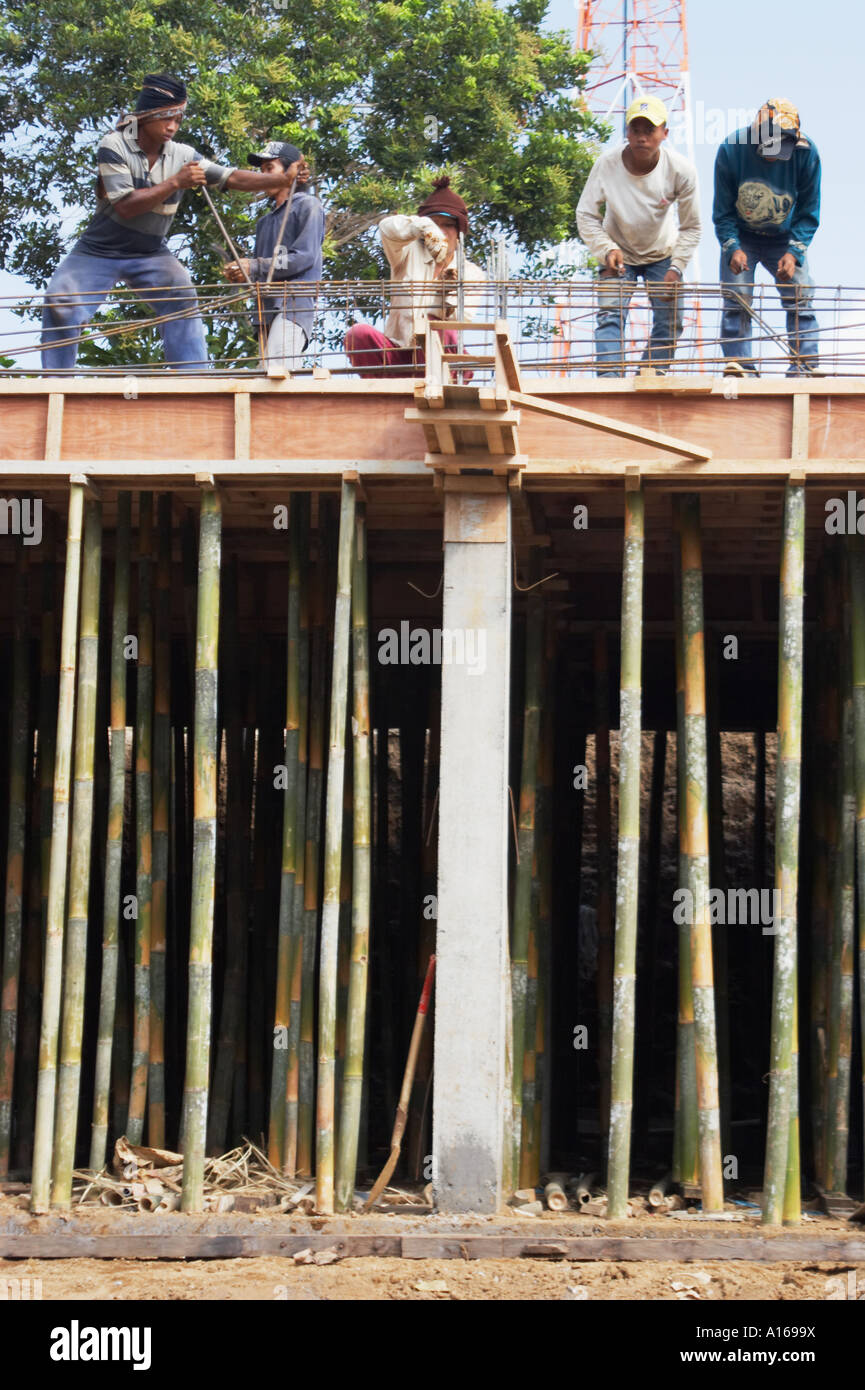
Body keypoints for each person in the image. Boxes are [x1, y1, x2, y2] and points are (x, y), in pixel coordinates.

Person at [41, 75, 300, 372]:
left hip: (150, 251)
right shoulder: (114, 145)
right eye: (166, 118)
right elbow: (126, 206)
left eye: (178, 119)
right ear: (146, 116)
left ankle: (195, 382)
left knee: (182, 296)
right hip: (99, 250)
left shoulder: (184, 155)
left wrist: (281, 179)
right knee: (60, 301)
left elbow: (232, 177)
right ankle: (55, 380)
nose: (172, 127)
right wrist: (176, 181)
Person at [576, 96, 701, 376]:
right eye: (636, 129)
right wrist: (606, 249)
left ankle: (651, 374)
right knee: (610, 316)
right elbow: (585, 214)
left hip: (662, 254)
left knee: (670, 320)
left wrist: (676, 267)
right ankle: (610, 379)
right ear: (627, 132)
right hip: (618, 253)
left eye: (650, 130)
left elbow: (692, 226)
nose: (642, 137)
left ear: (664, 134)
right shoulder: (607, 165)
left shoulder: (681, 170)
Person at [713, 98, 821, 376]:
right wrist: (732, 247)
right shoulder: (731, 149)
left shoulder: (806, 154)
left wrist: (794, 252)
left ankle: (804, 366)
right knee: (736, 296)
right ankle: (740, 366)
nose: (775, 149)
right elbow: (723, 212)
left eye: (782, 141)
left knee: (801, 295)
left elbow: (809, 212)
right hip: (742, 235)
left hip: (784, 238)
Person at [344, 177, 485, 378]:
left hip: (437, 364)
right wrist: (423, 226)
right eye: (435, 224)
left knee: (436, 329)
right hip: (397, 355)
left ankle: (439, 386)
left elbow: (460, 319)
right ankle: (384, 391)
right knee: (358, 335)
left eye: (447, 225)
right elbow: (386, 228)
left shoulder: (471, 273)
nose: (441, 231)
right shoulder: (407, 253)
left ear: (459, 231)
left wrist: (441, 293)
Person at [222, 141, 325, 378]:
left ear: (291, 172)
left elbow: (304, 257)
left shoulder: (308, 206)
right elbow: (263, 270)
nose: (263, 176)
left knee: (278, 377)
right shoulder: (265, 222)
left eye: (270, 169)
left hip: (293, 308)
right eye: (262, 171)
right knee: (264, 378)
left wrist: (255, 265)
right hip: (265, 312)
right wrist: (244, 272)